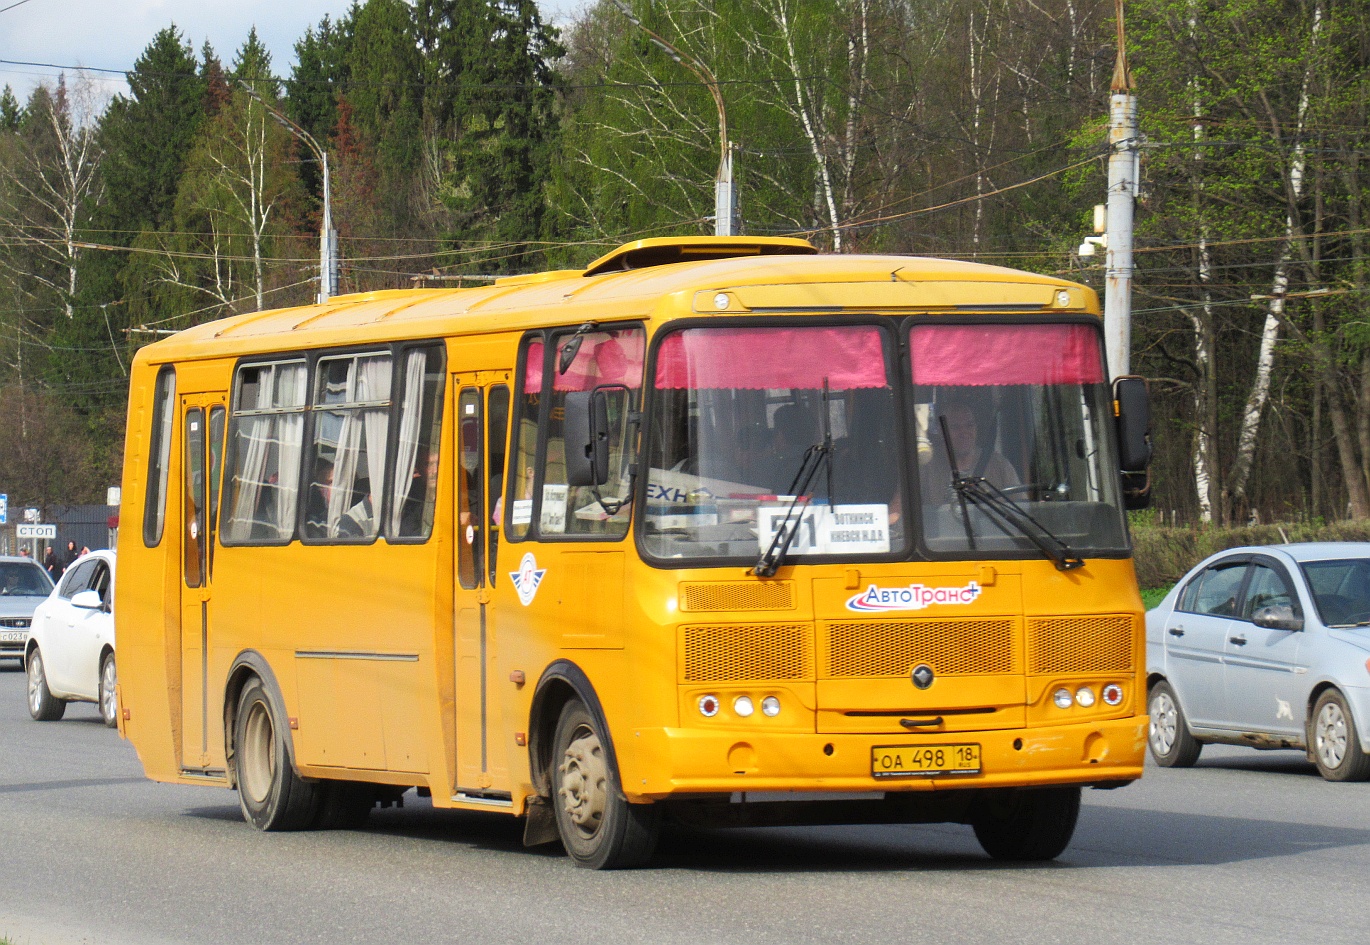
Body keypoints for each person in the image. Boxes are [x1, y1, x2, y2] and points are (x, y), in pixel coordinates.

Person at [304, 459, 334, 539]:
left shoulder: (360, 516)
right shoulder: (315, 524)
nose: (337, 488)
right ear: (322, 490)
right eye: (331, 482)